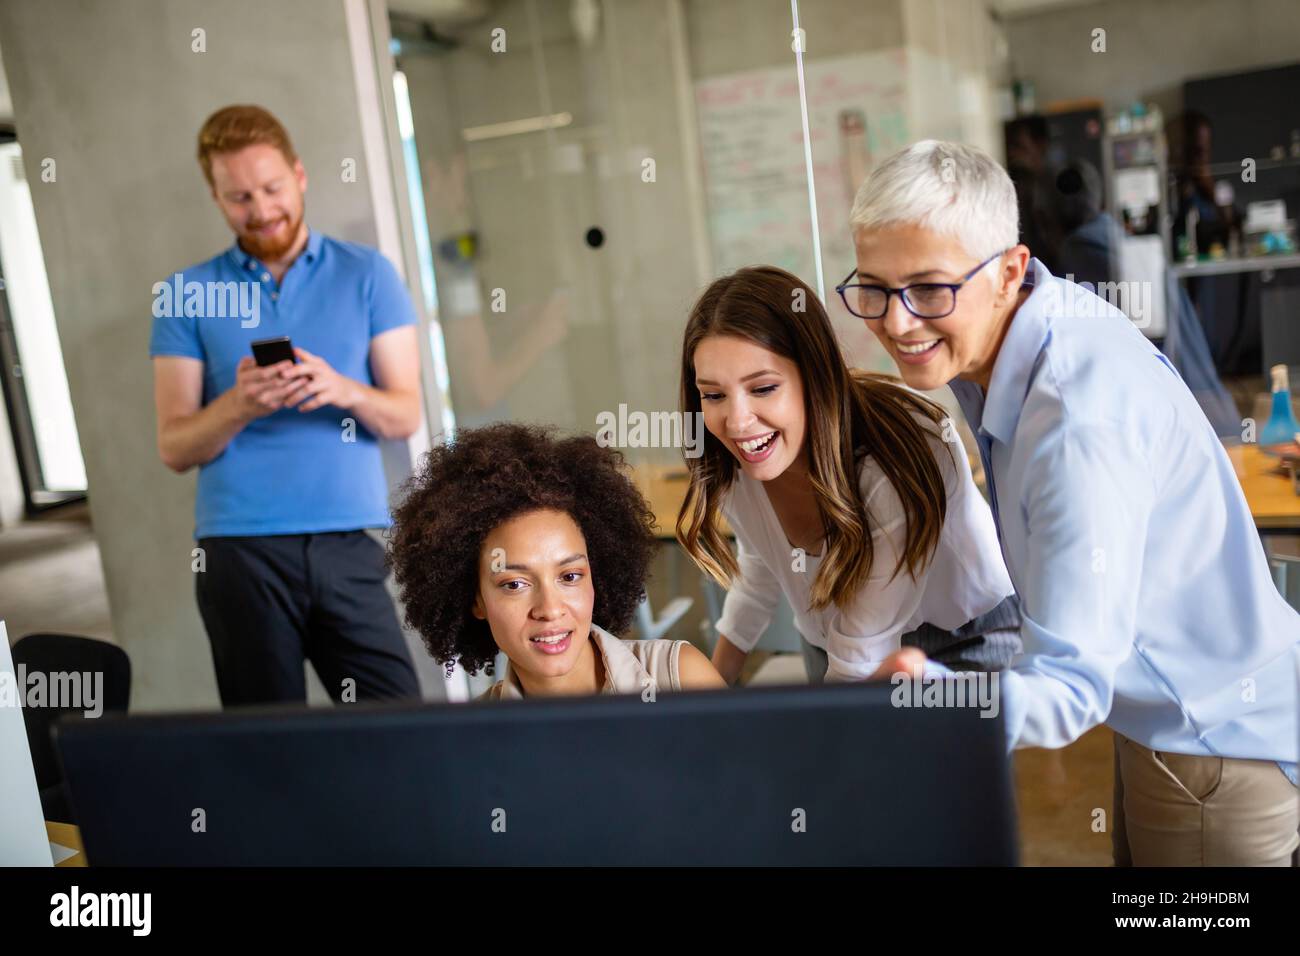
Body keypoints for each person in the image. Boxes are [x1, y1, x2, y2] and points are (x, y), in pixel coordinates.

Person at [846, 139, 1300, 866]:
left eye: (928, 289)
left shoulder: (1076, 422)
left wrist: (930, 696)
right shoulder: (1020, 326)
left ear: (1009, 270)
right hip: (1165, 717)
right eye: (873, 288)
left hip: (1212, 741)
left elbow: (1071, 689)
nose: (897, 322)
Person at [150, 104, 422, 707]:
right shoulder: (185, 294)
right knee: (267, 748)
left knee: (396, 727)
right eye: (239, 196)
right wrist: (240, 405)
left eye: (271, 188)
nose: (262, 209)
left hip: (346, 543)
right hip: (237, 553)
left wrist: (340, 388)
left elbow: (406, 414)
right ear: (217, 198)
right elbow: (173, 445)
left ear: (299, 175)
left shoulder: (368, 274)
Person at [676, 265, 1020, 686]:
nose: (737, 421)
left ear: (815, 378)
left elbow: (859, 662)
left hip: (961, 638)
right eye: (713, 395)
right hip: (831, 638)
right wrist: (714, 685)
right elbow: (761, 569)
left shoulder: (893, 465)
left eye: (763, 388)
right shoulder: (734, 466)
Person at [387, 423, 725, 699]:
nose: (549, 609)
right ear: (476, 599)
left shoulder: (679, 679)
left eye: (570, 576)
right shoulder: (473, 736)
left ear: (597, 577)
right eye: (514, 584)